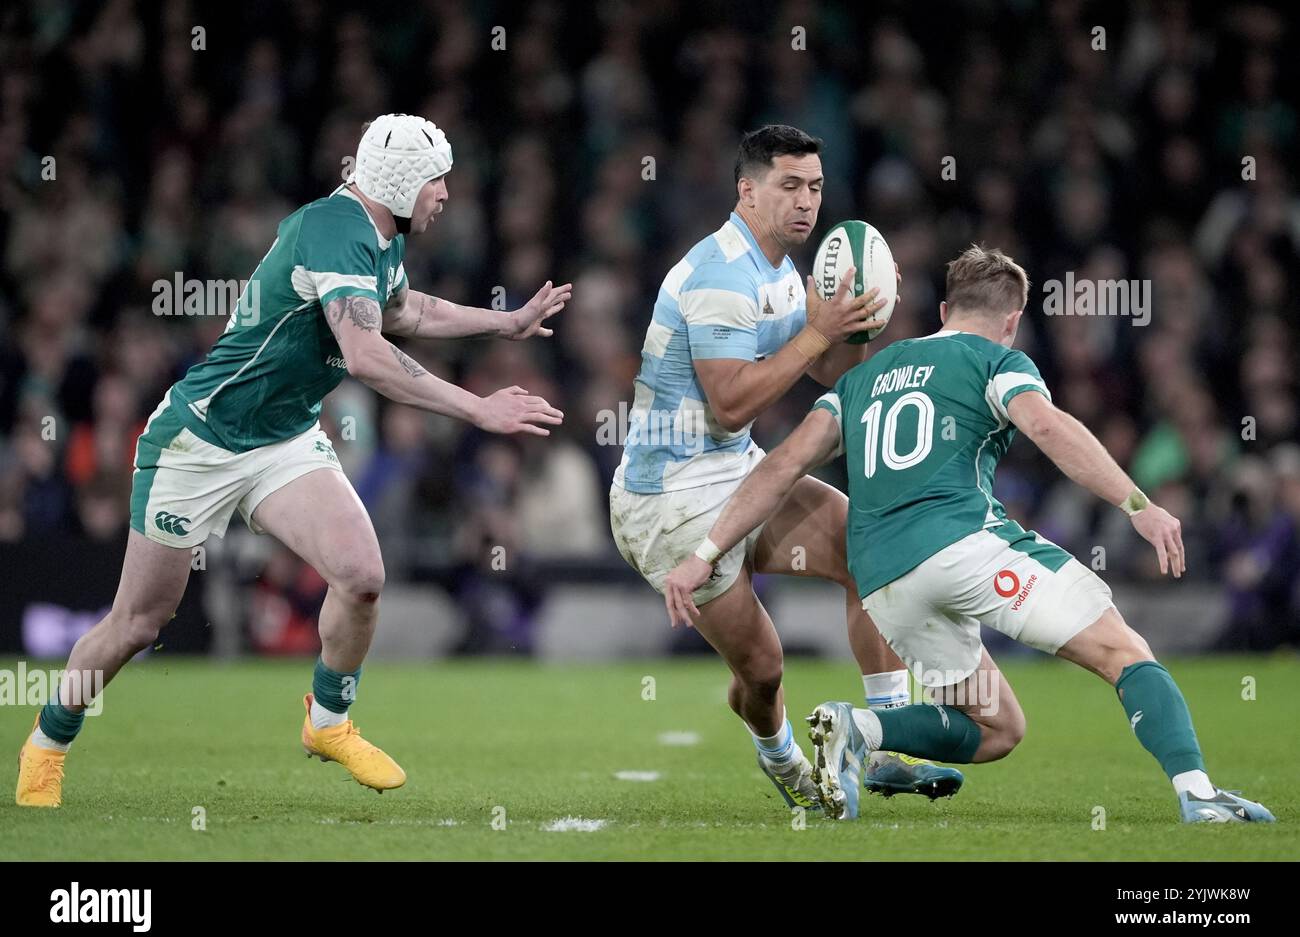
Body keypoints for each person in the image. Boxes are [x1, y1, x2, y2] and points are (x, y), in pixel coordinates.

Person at [17, 113, 571, 807]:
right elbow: (368, 355)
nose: (446, 195)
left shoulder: (378, 236)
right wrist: (479, 407)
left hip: (280, 440)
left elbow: (404, 312)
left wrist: (505, 321)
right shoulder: (334, 228)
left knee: (363, 574)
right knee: (138, 623)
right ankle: (46, 741)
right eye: (438, 181)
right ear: (400, 183)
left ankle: (328, 722)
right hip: (199, 442)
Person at [663, 244, 1274, 824]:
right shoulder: (997, 361)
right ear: (1011, 323)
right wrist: (1137, 502)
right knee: (1124, 653)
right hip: (968, 553)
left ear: (942, 312)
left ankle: (863, 729)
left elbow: (780, 466)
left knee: (997, 726)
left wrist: (704, 554)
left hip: (887, 587)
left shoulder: (861, 380)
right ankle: (1200, 795)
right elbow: (1049, 427)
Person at [610, 124, 964, 811]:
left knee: (871, 550)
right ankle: (785, 763)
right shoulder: (719, 274)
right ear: (748, 191)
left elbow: (823, 371)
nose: (807, 202)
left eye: (816, 187)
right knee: (765, 673)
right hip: (669, 500)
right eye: (790, 186)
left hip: (733, 471)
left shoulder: (781, 271)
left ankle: (882, 747)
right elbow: (734, 400)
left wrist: (857, 326)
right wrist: (816, 331)